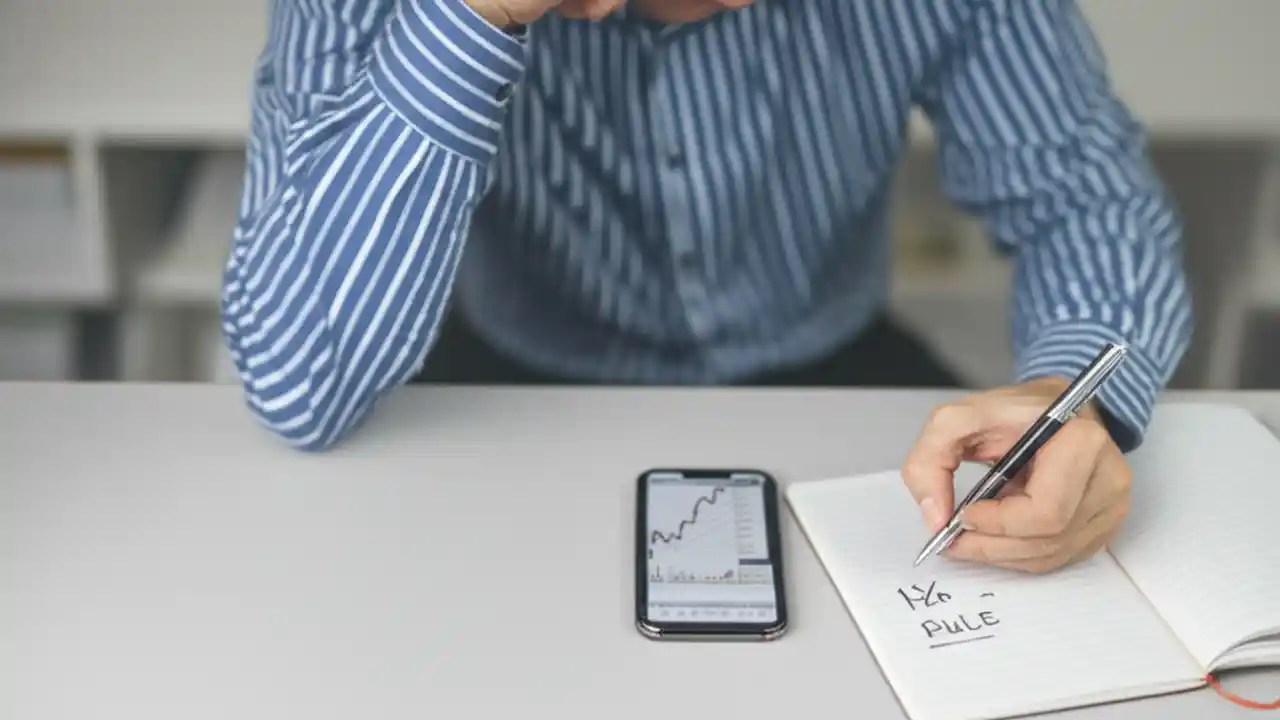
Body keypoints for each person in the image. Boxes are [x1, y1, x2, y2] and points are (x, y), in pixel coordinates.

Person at [222, 0, 1191, 573]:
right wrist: (476, 15)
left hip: (830, 360)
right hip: (503, 384)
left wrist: (1073, 399)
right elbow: (301, 384)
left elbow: (1083, 199)